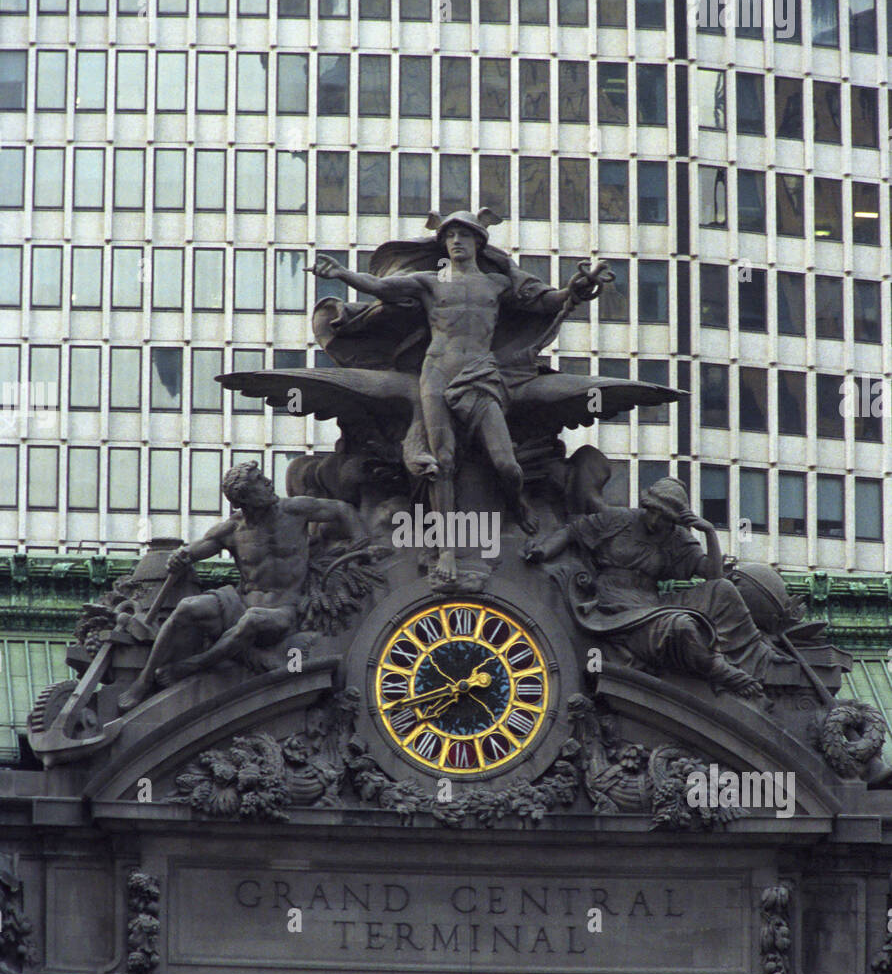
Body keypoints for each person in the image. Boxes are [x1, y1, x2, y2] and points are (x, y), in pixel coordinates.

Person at [311, 211, 610, 580]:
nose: (456, 241)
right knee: (443, 463)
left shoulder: (498, 284)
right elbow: (379, 287)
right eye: (450, 235)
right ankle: (446, 549)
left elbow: (549, 301)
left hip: (481, 375)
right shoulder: (430, 283)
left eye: (464, 235)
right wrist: (341, 274)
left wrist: (577, 289)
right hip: (436, 374)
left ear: (478, 243)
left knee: (507, 464)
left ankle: (517, 503)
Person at [118, 462, 366, 709]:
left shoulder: (294, 510)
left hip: (285, 611)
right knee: (186, 607)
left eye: (263, 477)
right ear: (243, 498)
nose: (268, 482)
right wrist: (181, 556)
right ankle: (144, 680)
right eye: (259, 481)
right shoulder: (232, 529)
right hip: (239, 602)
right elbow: (198, 549)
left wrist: (361, 545)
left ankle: (194, 665)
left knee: (252, 620)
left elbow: (342, 510)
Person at [525, 476, 790, 698]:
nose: (654, 521)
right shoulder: (617, 520)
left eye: (663, 518)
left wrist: (708, 532)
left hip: (652, 601)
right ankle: (717, 668)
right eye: (652, 511)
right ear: (646, 505)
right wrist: (542, 551)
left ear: (674, 521)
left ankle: (758, 654)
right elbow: (571, 532)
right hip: (615, 604)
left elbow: (713, 575)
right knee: (680, 626)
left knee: (723, 590)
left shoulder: (676, 539)